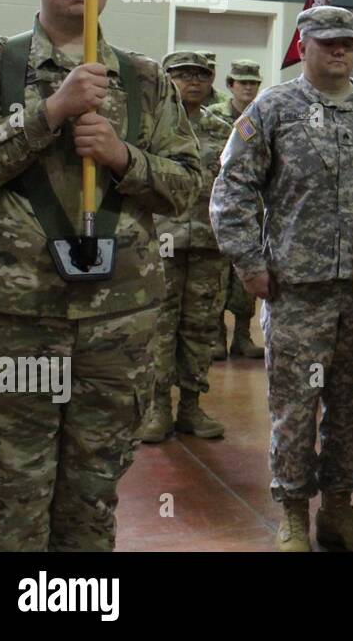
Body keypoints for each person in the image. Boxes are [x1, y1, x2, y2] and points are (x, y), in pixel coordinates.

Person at [0, 0, 202, 550]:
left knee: (93, 496)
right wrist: (50, 112)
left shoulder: (146, 80)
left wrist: (125, 157)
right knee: (12, 493)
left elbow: (186, 185)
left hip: (116, 322)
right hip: (11, 322)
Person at [211, 6, 353, 552]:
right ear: (303, 45)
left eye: (347, 42)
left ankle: (338, 509)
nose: (339, 50)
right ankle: (292, 512)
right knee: (295, 405)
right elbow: (232, 190)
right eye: (328, 41)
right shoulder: (272, 110)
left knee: (352, 407)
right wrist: (249, 261)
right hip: (295, 290)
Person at [141, 51, 233, 442]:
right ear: (167, 79)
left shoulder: (226, 129)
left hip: (209, 244)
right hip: (162, 242)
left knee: (200, 327)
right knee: (161, 327)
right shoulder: (150, 126)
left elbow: (237, 184)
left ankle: (192, 406)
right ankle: (157, 407)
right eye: (183, 75)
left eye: (201, 75)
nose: (193, 82)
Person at [209, 59, 264, 360]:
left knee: (248, 277)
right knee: (216, 275)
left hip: (254, 208)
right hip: (222, 207)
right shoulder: (214, 116)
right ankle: (217, 335)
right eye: (242, 82)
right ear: (230, 85)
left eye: (253, 83)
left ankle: (242, 336)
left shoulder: (260, 117)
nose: (247, 87)